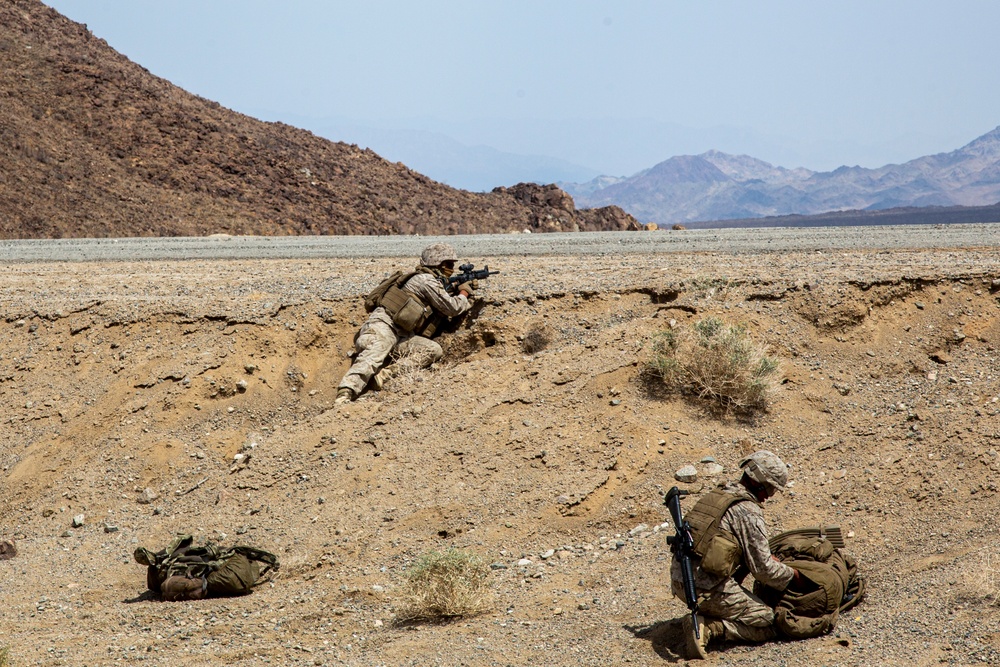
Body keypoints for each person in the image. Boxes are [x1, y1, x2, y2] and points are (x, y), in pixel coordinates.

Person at [671, 450, 803, 659]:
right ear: (763, 484)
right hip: (705, 589)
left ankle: (709, 613)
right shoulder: (747, 511)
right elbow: (764, 570)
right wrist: (793, 576)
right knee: (769, 621)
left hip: (680, 580)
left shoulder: (717, 495)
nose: (770, 496)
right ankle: (711, 628)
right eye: (772, 490)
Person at [335, 242, 475, 404]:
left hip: (402, 335)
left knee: (433, 350)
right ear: (438, 264)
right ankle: (345, 392)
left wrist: (456, 288)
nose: (451, 269)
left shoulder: (431, 281)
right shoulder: (425, 280)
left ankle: (383, 377)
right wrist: (464, 293)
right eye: (449, 265)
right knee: (375, 353)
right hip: (382, 326)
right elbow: (451, 308)